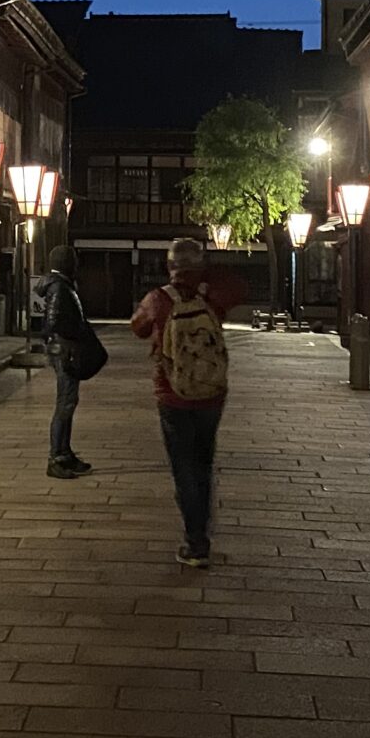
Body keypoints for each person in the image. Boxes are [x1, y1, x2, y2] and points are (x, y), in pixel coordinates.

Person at [130, 237, 246, 566]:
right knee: (203, 463)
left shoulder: (158, 299)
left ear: (170, 267)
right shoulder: (212, 296)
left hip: (172, 393)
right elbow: (239, 288)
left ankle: (195, 541)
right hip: (211, 394)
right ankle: (201, 531)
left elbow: (137, 328)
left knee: (183, 467)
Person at [29, 245, 94, 478]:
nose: (76, 264)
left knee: (69, 401)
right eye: (73, 260)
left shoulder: (62, 285)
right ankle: (55, 457)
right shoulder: (59, 287)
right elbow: (54, 321)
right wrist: (74, 334)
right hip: (65, 351)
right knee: (65, 403)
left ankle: (65, 453)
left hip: (65, 349)